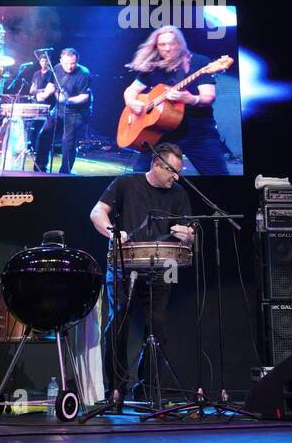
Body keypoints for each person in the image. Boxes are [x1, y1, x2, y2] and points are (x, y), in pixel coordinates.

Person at [90, 142, 196, 400]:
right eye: (172, 171)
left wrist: (187, 236)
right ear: (156, 165)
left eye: (178, 172)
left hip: (160, 268)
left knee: (157, 328)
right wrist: (113, 232)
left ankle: (146, 388)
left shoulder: (179, 194)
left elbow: (189, 235)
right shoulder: (126, 184)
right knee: (118, 324)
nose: (176, 176)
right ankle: (115, 388)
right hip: (124, 264)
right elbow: (97, 212)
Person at [122, 26, 227, 175]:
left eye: (171, 44)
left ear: (180, 44)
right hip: (160, 133)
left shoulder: (199, 62)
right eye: (162, 45)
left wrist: (190, 99)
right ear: (156, 47)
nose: (167, 49)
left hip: (197, 132)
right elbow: (131, 90)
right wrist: (131, 102)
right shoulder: (153, 66)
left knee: (217, 175)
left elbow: (208, 97)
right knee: (140, 174)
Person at [34, 48, 91, 174]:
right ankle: (40, 167)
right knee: (45, 134)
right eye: (66, 63)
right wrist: (44, 94)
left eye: (73, 63)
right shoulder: (57, 68)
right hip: (59, 110)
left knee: (68, 142)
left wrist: (68, 100)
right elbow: (52, 85)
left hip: (77, 112)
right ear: (61, 60)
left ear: (77, 61)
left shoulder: (84, 73)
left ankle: (65, 173)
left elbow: (84, 96)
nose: (69, 67)